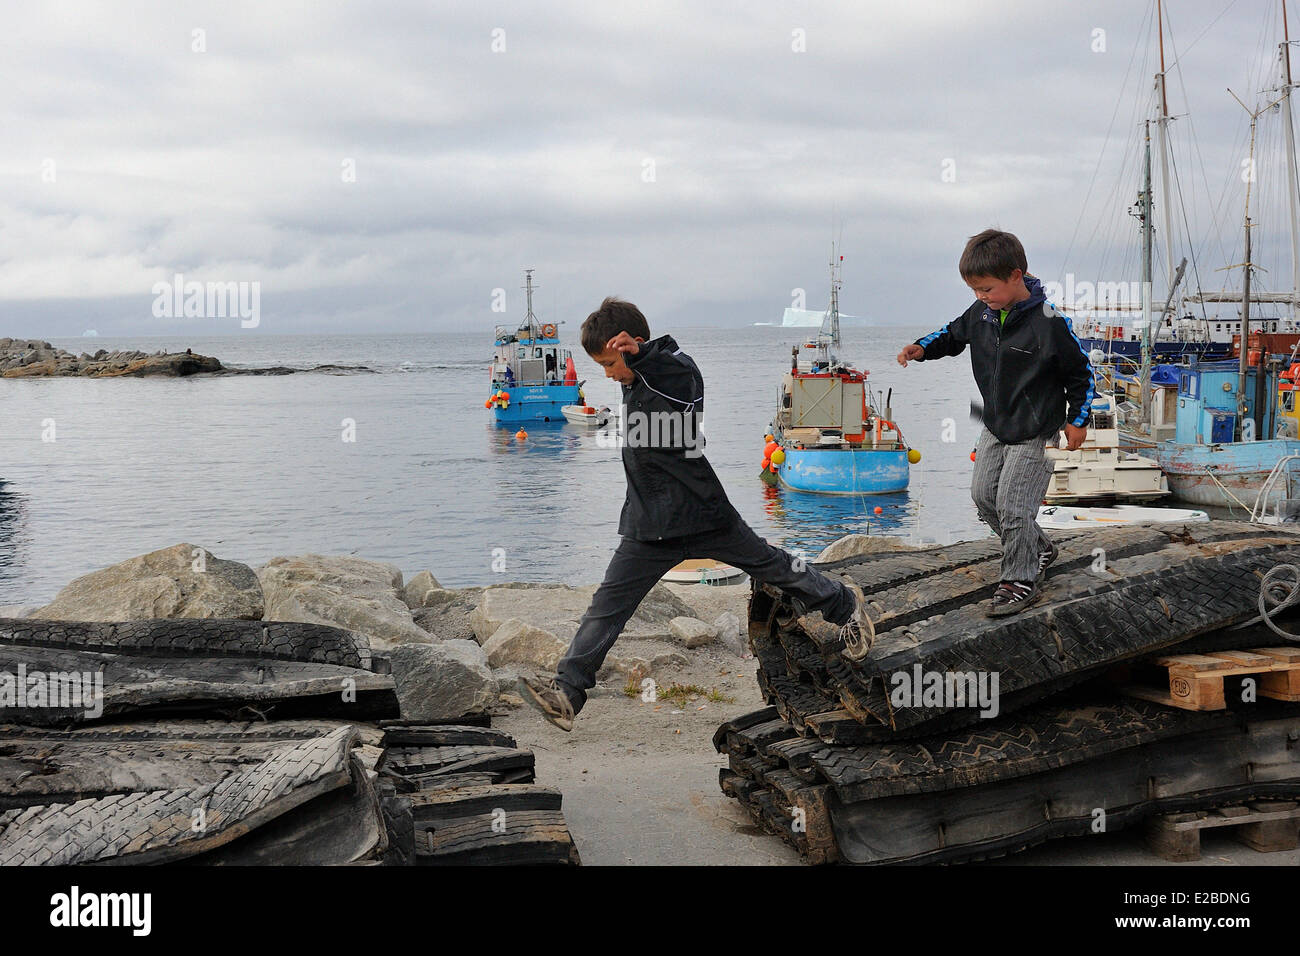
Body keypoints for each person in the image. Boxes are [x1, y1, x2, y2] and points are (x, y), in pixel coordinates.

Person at [518, 296, 874, 731]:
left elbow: (678, 374)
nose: (609, 375)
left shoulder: (675, 373)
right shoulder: (637, 380)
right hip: (649, 525)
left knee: (773, 566)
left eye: (610, 364)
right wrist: (633, 364)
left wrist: (643, 357)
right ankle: (567, 694)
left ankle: (844, 604)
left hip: (703, 514)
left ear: (634, 346)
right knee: (606, 608)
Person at [897, 229, 1095, 616]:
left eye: (986, 288)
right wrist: (922, 348)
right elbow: (951, 335)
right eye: (974, 290)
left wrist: (1079, 420)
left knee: (1014, 506)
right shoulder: (981, 314)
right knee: (984, 497)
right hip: (996, 425)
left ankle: (1019, 579)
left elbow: (1082, 374)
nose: (980, 296)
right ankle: (1038, 548)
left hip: (1038, 432)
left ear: (1016, 276)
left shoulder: (1050, 323)